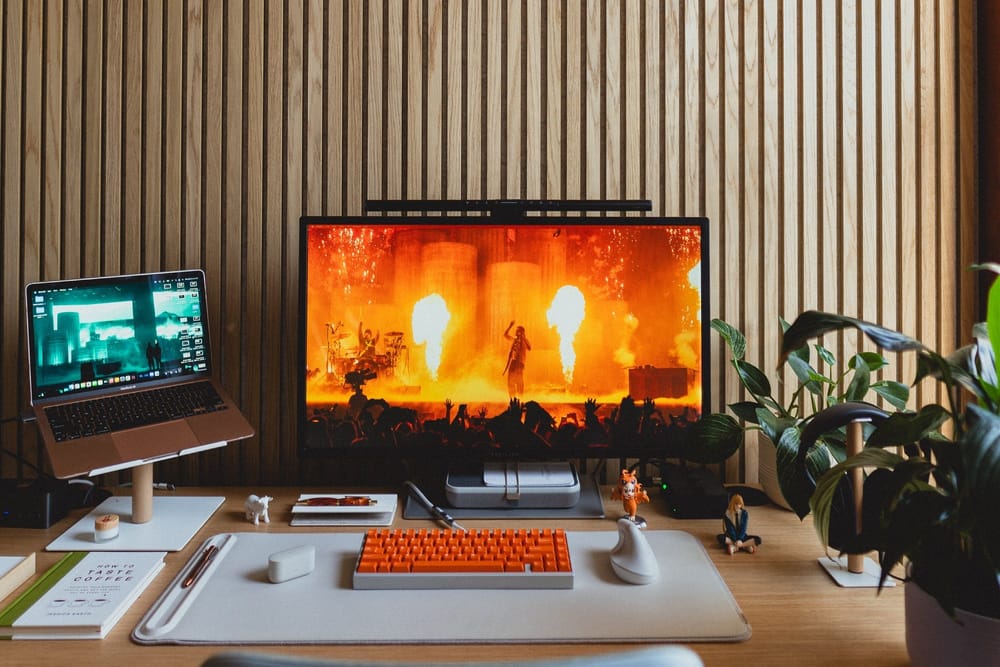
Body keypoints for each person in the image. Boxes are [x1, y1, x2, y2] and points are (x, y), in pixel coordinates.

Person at [502, 320, 531, 399]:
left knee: (519, 379)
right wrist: (510, 326)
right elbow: (505, 335)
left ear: (522, 332)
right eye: (516, 330)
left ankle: (520, 397)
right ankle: (512, 397)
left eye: (518, 331)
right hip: (513, 361)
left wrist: (523, 338)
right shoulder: (514, 339)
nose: (516, 332)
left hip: (520, 362)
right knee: (510, 379)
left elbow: (530, 347)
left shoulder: (525, 340)